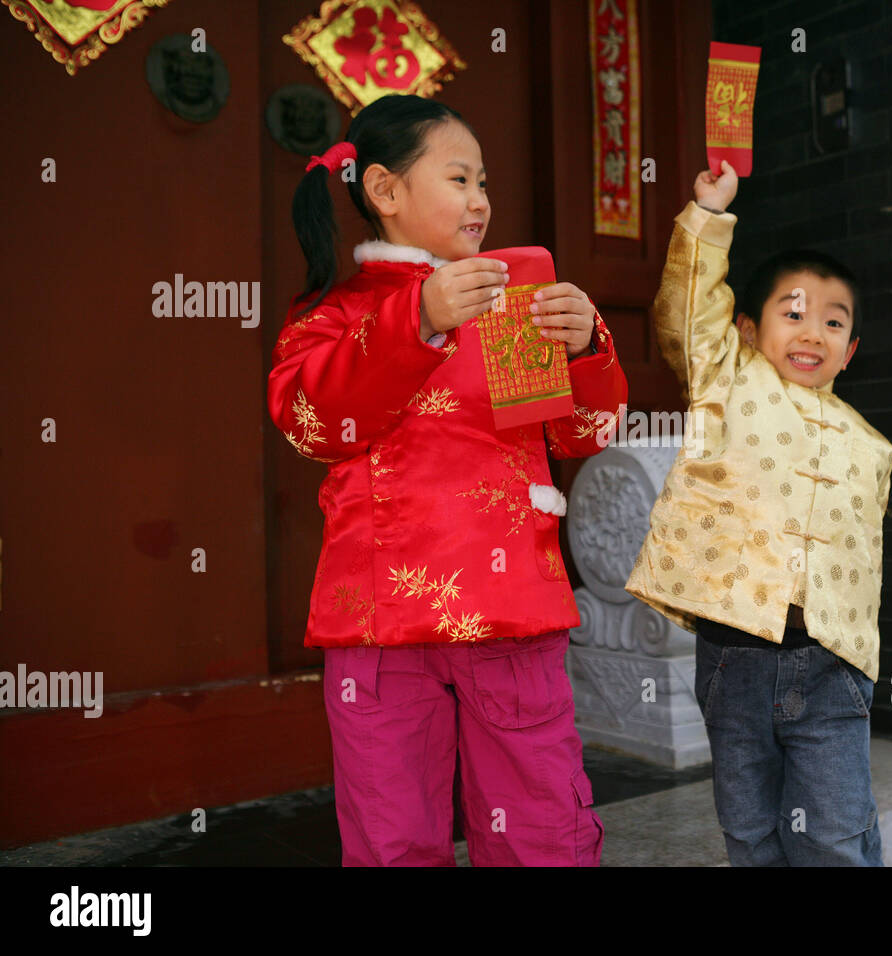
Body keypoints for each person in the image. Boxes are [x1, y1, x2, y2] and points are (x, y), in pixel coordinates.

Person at [267, 94, 627, 866]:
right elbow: (311, 424)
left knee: (541, 830)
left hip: (511, 613)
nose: (481, 201)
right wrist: (418, 320)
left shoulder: (512, 305)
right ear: (386, 193)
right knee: (392, 836)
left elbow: (581, 436)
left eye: (485, 183)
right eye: (460, 178)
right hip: (379, 623)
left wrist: (585, 350)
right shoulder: (333, 313)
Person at [624, 159, 892, 866]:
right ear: (747, 329)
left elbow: (863, 563)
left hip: (831, 669)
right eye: (794, 312)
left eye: (833, 322)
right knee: (750, 833)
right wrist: (709, 215)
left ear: (851, 350)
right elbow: (686, 310)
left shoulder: (871, 447)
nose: (813, 332)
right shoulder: (727, 381)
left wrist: (862, 658)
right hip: (734, 663)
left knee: (835, 833)